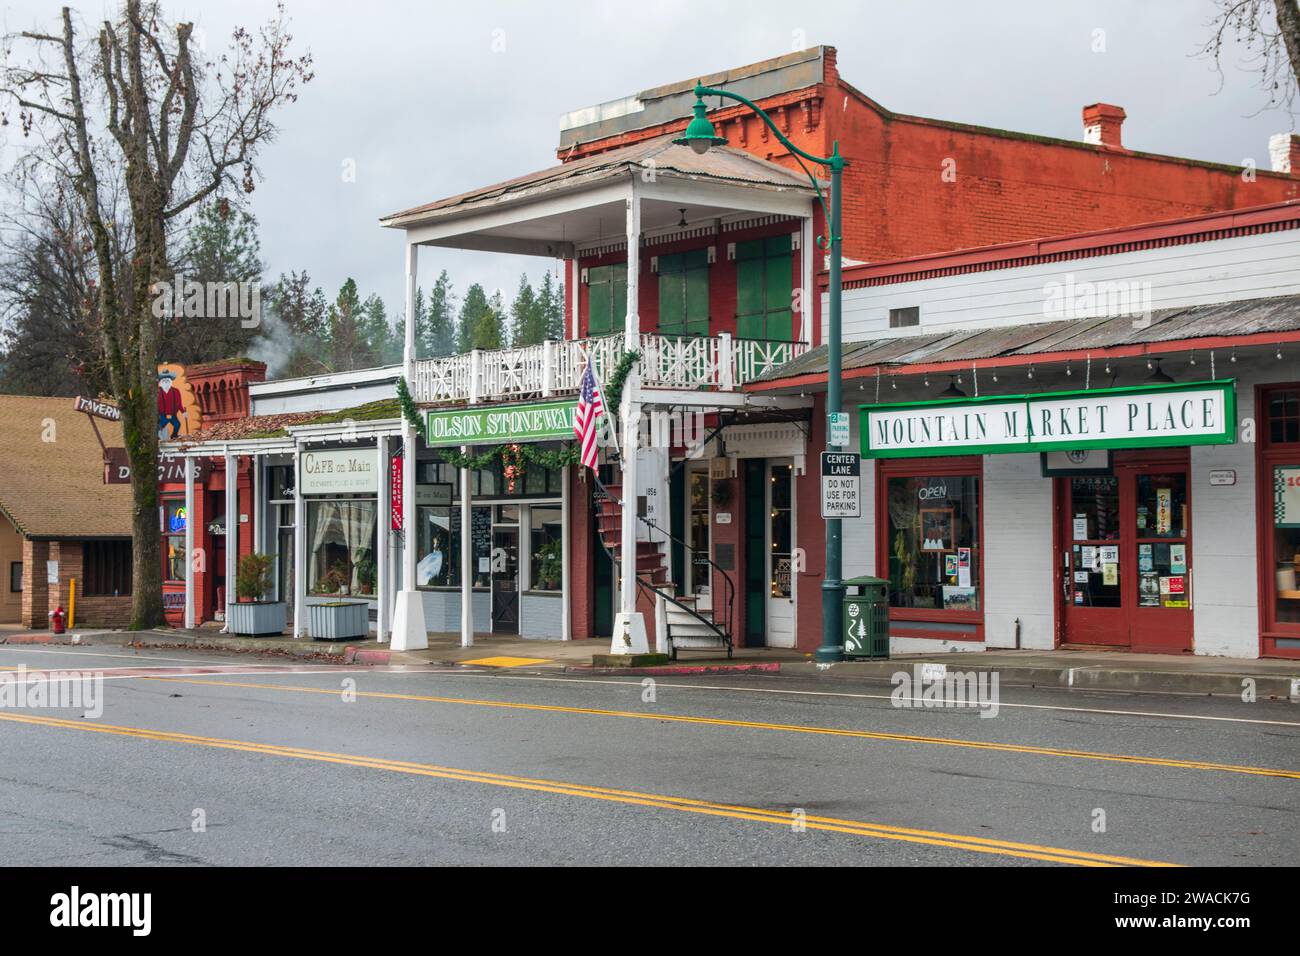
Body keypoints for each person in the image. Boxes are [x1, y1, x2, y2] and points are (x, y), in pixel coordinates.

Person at [157, 369, 187, 440]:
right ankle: (157, 437)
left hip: (173, 415)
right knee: (159, 427)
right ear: (161, 382)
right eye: (163, 380)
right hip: (163, 415)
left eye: (167, 380)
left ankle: (174, 435)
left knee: (177, 424)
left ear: (170, 381)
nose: (165, 382)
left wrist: (183, 412)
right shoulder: (157, 392)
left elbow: (179, 403)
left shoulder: (176, 391)